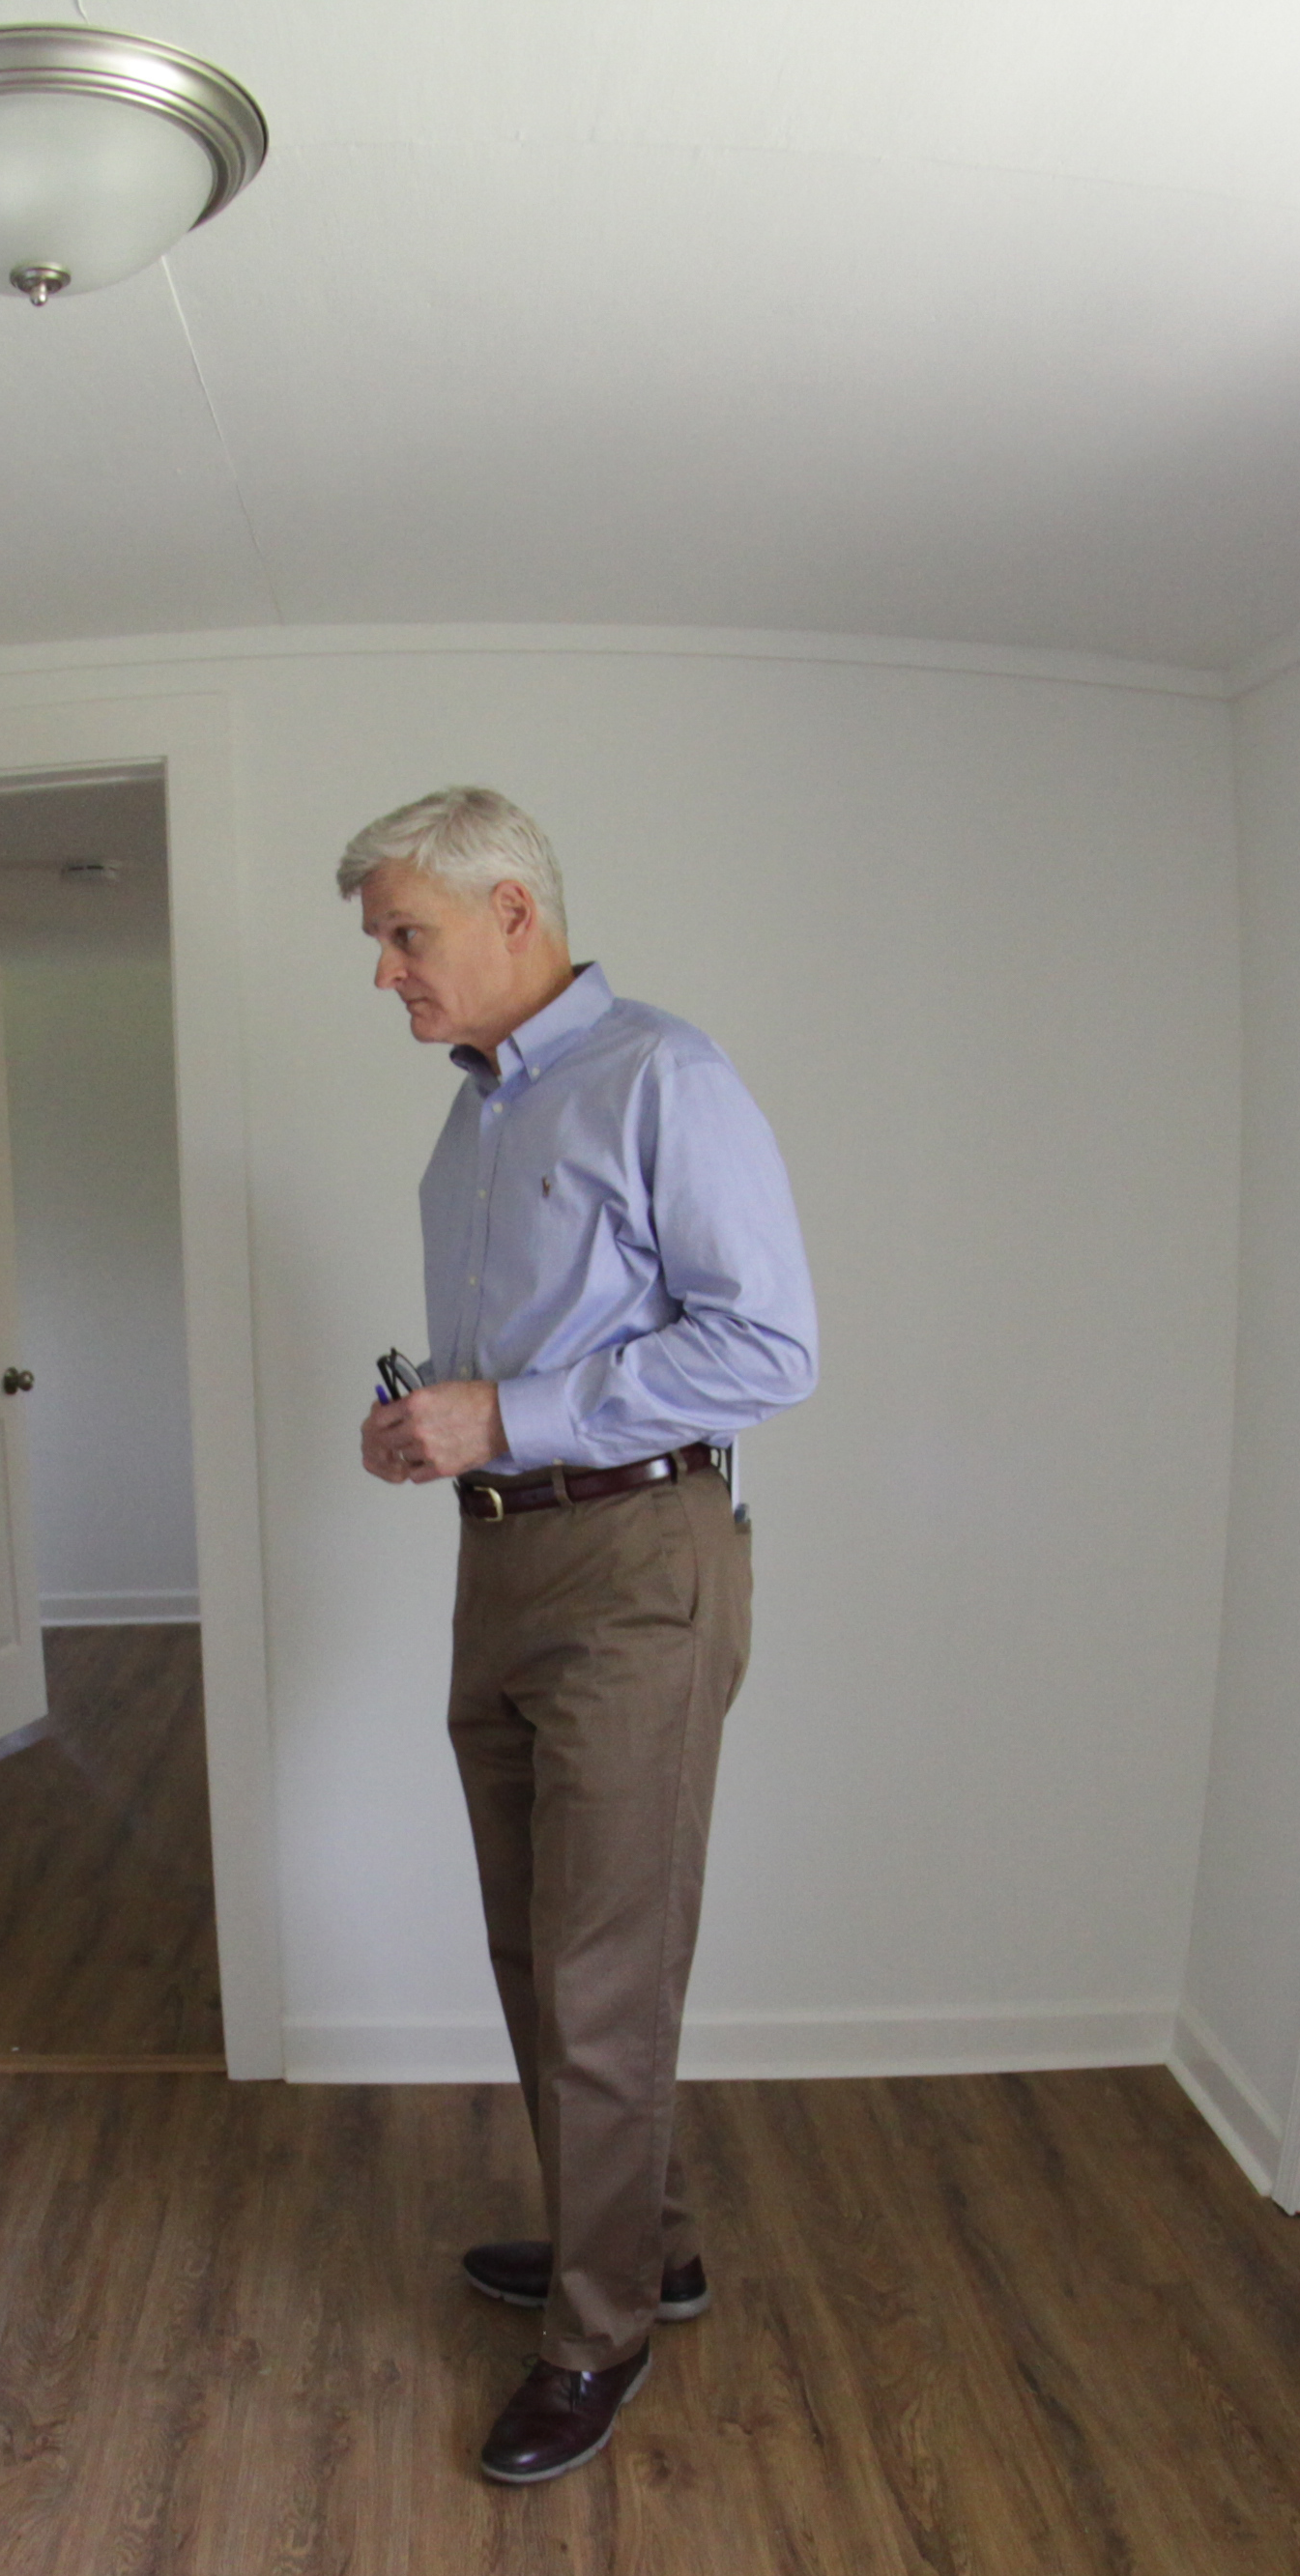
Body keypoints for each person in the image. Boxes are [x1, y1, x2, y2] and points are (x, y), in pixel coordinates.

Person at [343, 787, 819, 2485]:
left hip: (637, 1567)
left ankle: (596, 2333)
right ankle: (640, 2242)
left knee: (604, 1967)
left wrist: (513, 1411)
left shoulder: (660, 1079)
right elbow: (504, 1386)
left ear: (510, 912)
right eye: (380, 942)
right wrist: (431, 1430)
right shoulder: (468, 1124)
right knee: (535, 1950)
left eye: (405, 934)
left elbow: (767, 1349)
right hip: (504, 1567)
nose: (386, 973)